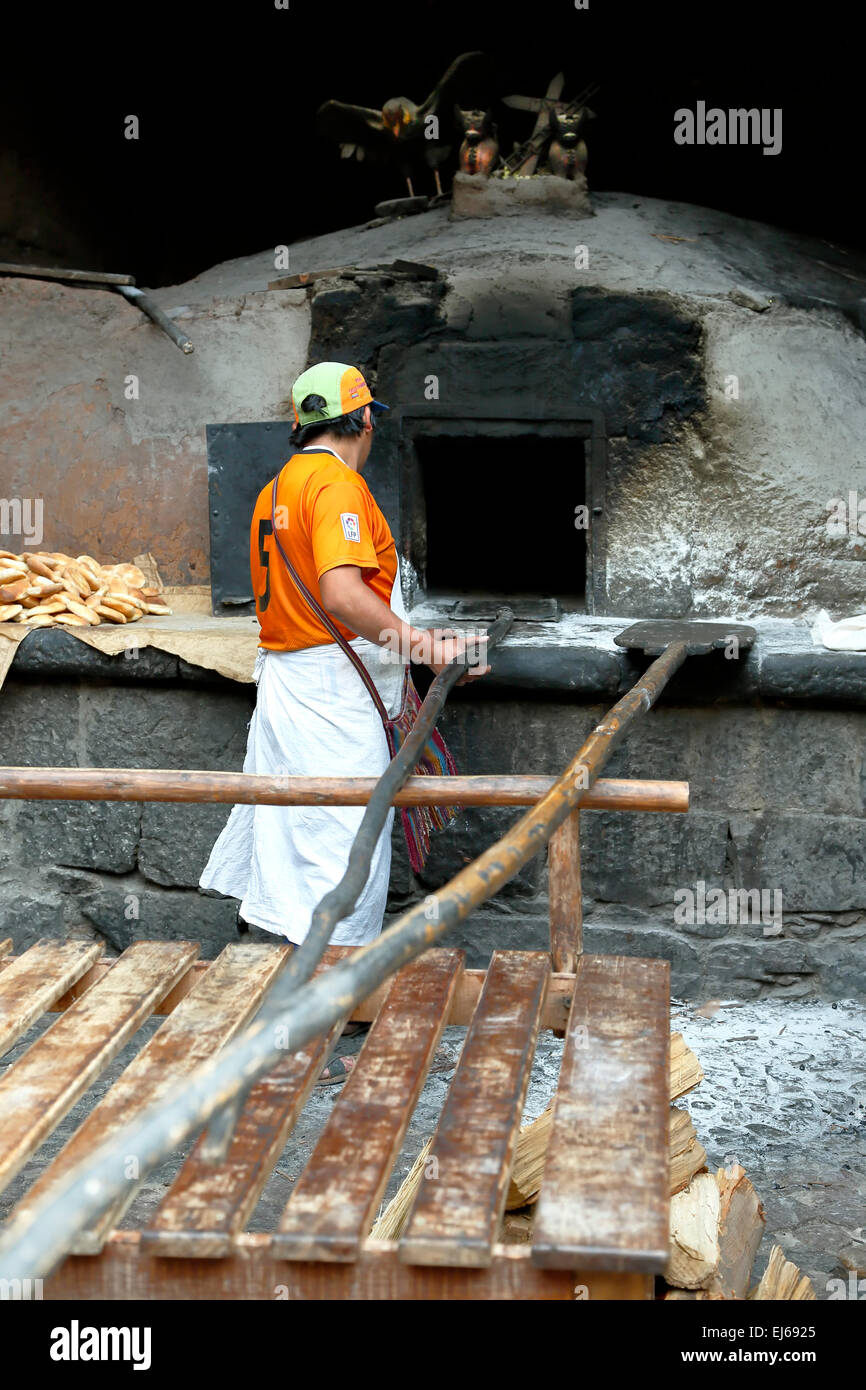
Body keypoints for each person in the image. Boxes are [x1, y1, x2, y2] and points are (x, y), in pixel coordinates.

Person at [200, 363, 488, 1078]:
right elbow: (342, 594)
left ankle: (297, 1018)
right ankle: (301, 1042)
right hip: (329, 694)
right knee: (340, 856)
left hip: (295, 686)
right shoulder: (336, 486)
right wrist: (426, 647)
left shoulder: (278, 489)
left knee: (302, 848)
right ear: (364, 420)